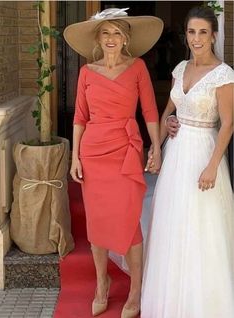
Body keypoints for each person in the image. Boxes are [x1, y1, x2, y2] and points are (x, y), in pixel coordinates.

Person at [63, 8, 163, 318]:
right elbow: (80, 116)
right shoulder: (86, 72)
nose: (111, 39)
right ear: (98, 38)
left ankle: (135, 290)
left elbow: (149, 111)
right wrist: (74, 156)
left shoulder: (138, 68)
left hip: (125, 152)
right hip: (93, 153)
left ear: (126, 39)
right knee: (97, 224)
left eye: (117, 33)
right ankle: (102, 284)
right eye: (106, 33)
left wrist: (156, 148)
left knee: (130, 221)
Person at [141, 6, 234, 318]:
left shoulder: (223, 74)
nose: (196, 39)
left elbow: (229, 124)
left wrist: (212, 166)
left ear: (213, 36)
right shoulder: (180, 68)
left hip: (204, 154)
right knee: (173, 222)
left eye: (203, 32)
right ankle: (170, 299)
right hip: (176, 156)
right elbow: (168, 109)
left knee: (201, 227)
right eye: (192, 32)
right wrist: (167, 124)